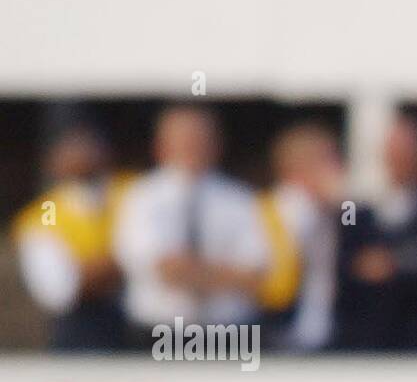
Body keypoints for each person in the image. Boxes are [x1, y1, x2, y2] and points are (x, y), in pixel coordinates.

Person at [113, 107, 269, 343]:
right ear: (161, 145)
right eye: (185, 139)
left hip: (228, 336)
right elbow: (163, 269)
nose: (194, 145)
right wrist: (225, 275)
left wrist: (189, 270)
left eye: (201, 138)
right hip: (157, 335)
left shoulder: (241, 198)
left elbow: (255, 275)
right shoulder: (141, 197)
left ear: (217, 144)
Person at [332, 115, 417, 352]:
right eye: (395, 153)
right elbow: (344, 270)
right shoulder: (358, 213)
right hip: (365, 344)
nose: (401, 161)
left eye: (407, 153)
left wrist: (392, 265)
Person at [10, 126, 133, 351]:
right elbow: (59, 289)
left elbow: (154, 252)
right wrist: (117, 265)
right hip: (81, 327)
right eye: (70, 149)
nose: (81, 156)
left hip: (139, 320)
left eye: (88, 146)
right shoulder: (43, 213)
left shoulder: (133, 190)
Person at [260, 123, 346, 352]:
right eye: (328, 160)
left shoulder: (329, 211)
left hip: (324, 333)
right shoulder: (280, 209)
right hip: (280, 332)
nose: (338, 169)